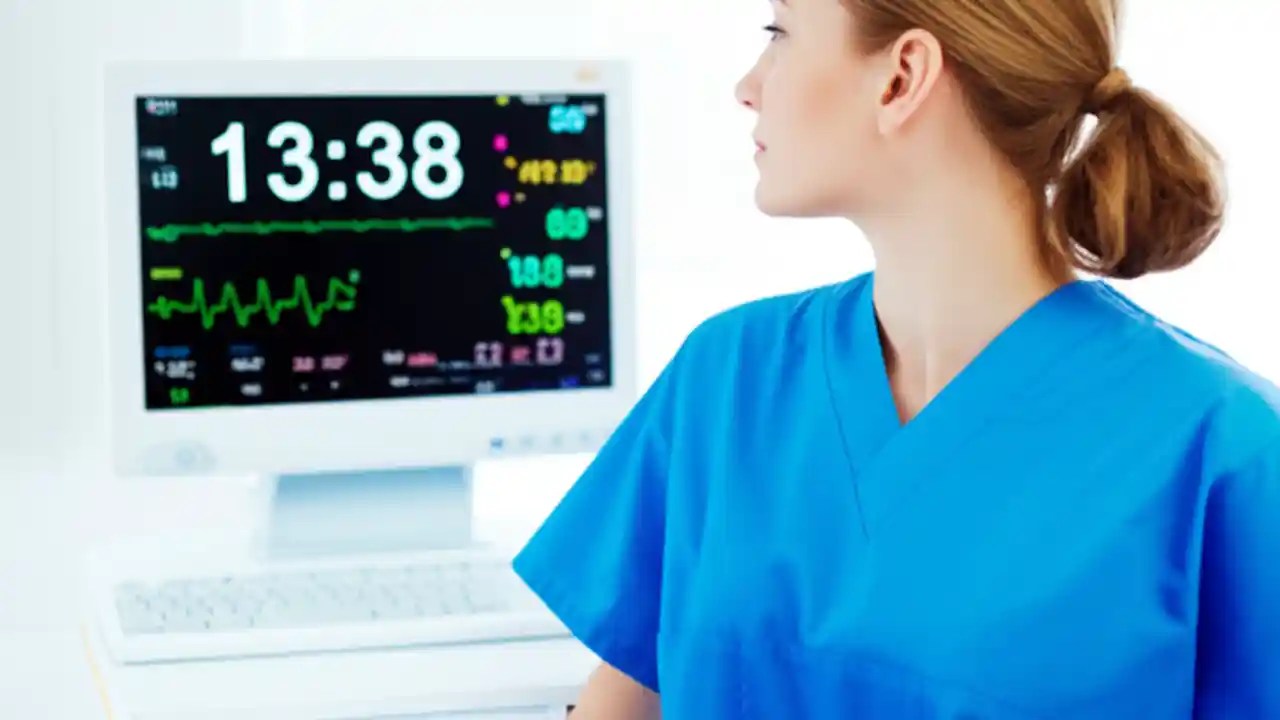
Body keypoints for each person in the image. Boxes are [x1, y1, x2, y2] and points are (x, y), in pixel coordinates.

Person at [513, 0, 1280, 717]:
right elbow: (627, 693)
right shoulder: (728, 377)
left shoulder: (1221, 445)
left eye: (778, 35)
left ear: (902, 77)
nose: (748, 88)